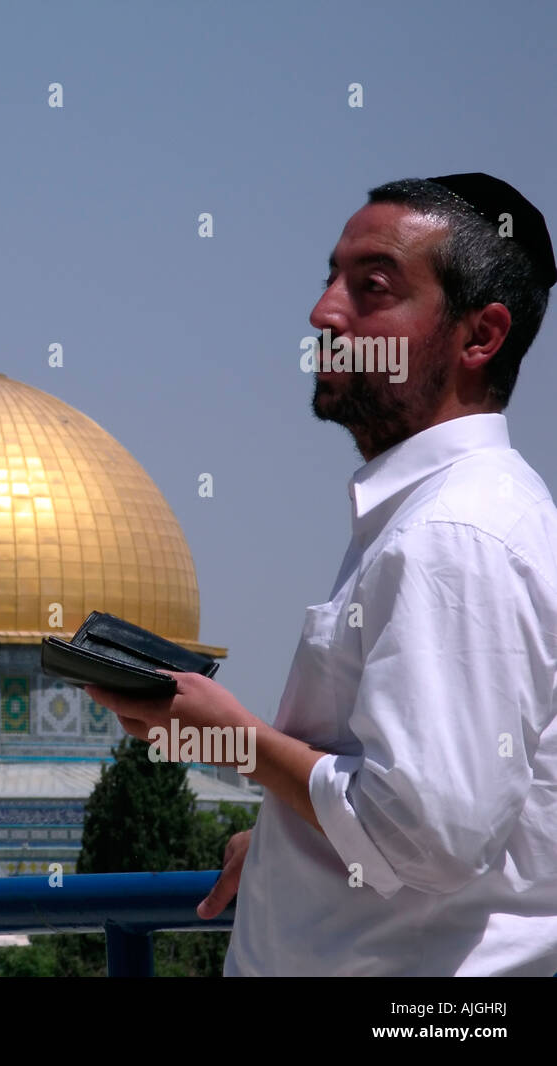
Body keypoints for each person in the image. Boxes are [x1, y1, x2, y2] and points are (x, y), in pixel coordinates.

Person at [87, 172, 557, 976]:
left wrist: (231, 738)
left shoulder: (455, 534)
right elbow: (434, 813)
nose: (324, 313)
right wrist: (286, 848)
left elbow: (426, 835)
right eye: (329, 279)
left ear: (480, 338)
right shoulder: (440, 518)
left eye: (371, 289)